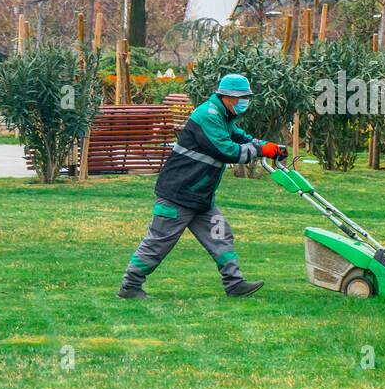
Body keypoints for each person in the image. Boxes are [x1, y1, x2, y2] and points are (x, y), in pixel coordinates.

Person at [117, 73, 285, 300]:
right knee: (158, 242)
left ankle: (234, 284)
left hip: (200, 197)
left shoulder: (225, 117)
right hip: (177, 195)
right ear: (225, 97)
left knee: (221, 235)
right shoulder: (208, 115)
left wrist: (268, 146)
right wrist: (259, 151)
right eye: (240, 97)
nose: (244, 101)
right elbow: (226, 150)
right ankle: (130, 286)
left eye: (246, 97)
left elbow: (241, 138)